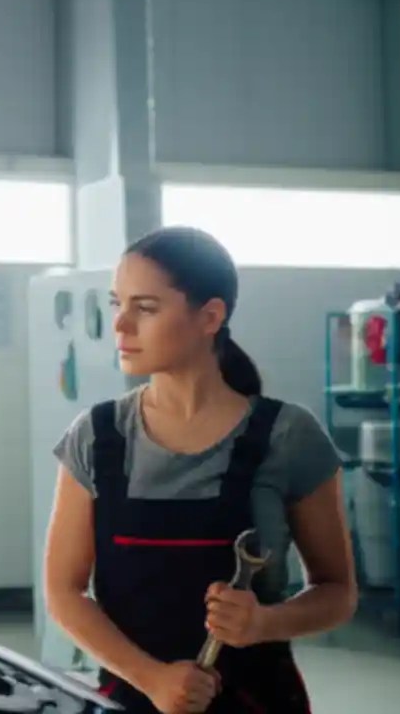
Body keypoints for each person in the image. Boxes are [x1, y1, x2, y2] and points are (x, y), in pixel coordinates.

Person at [43, 227, 358, 713]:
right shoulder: (97, 436)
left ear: (210, 316)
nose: (121, 326)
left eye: (145, 308)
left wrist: (263, 624)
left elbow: (337, 592)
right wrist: (152, 679)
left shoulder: (287, 436)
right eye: (116, 304)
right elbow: (64, 592)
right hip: (131, 698)